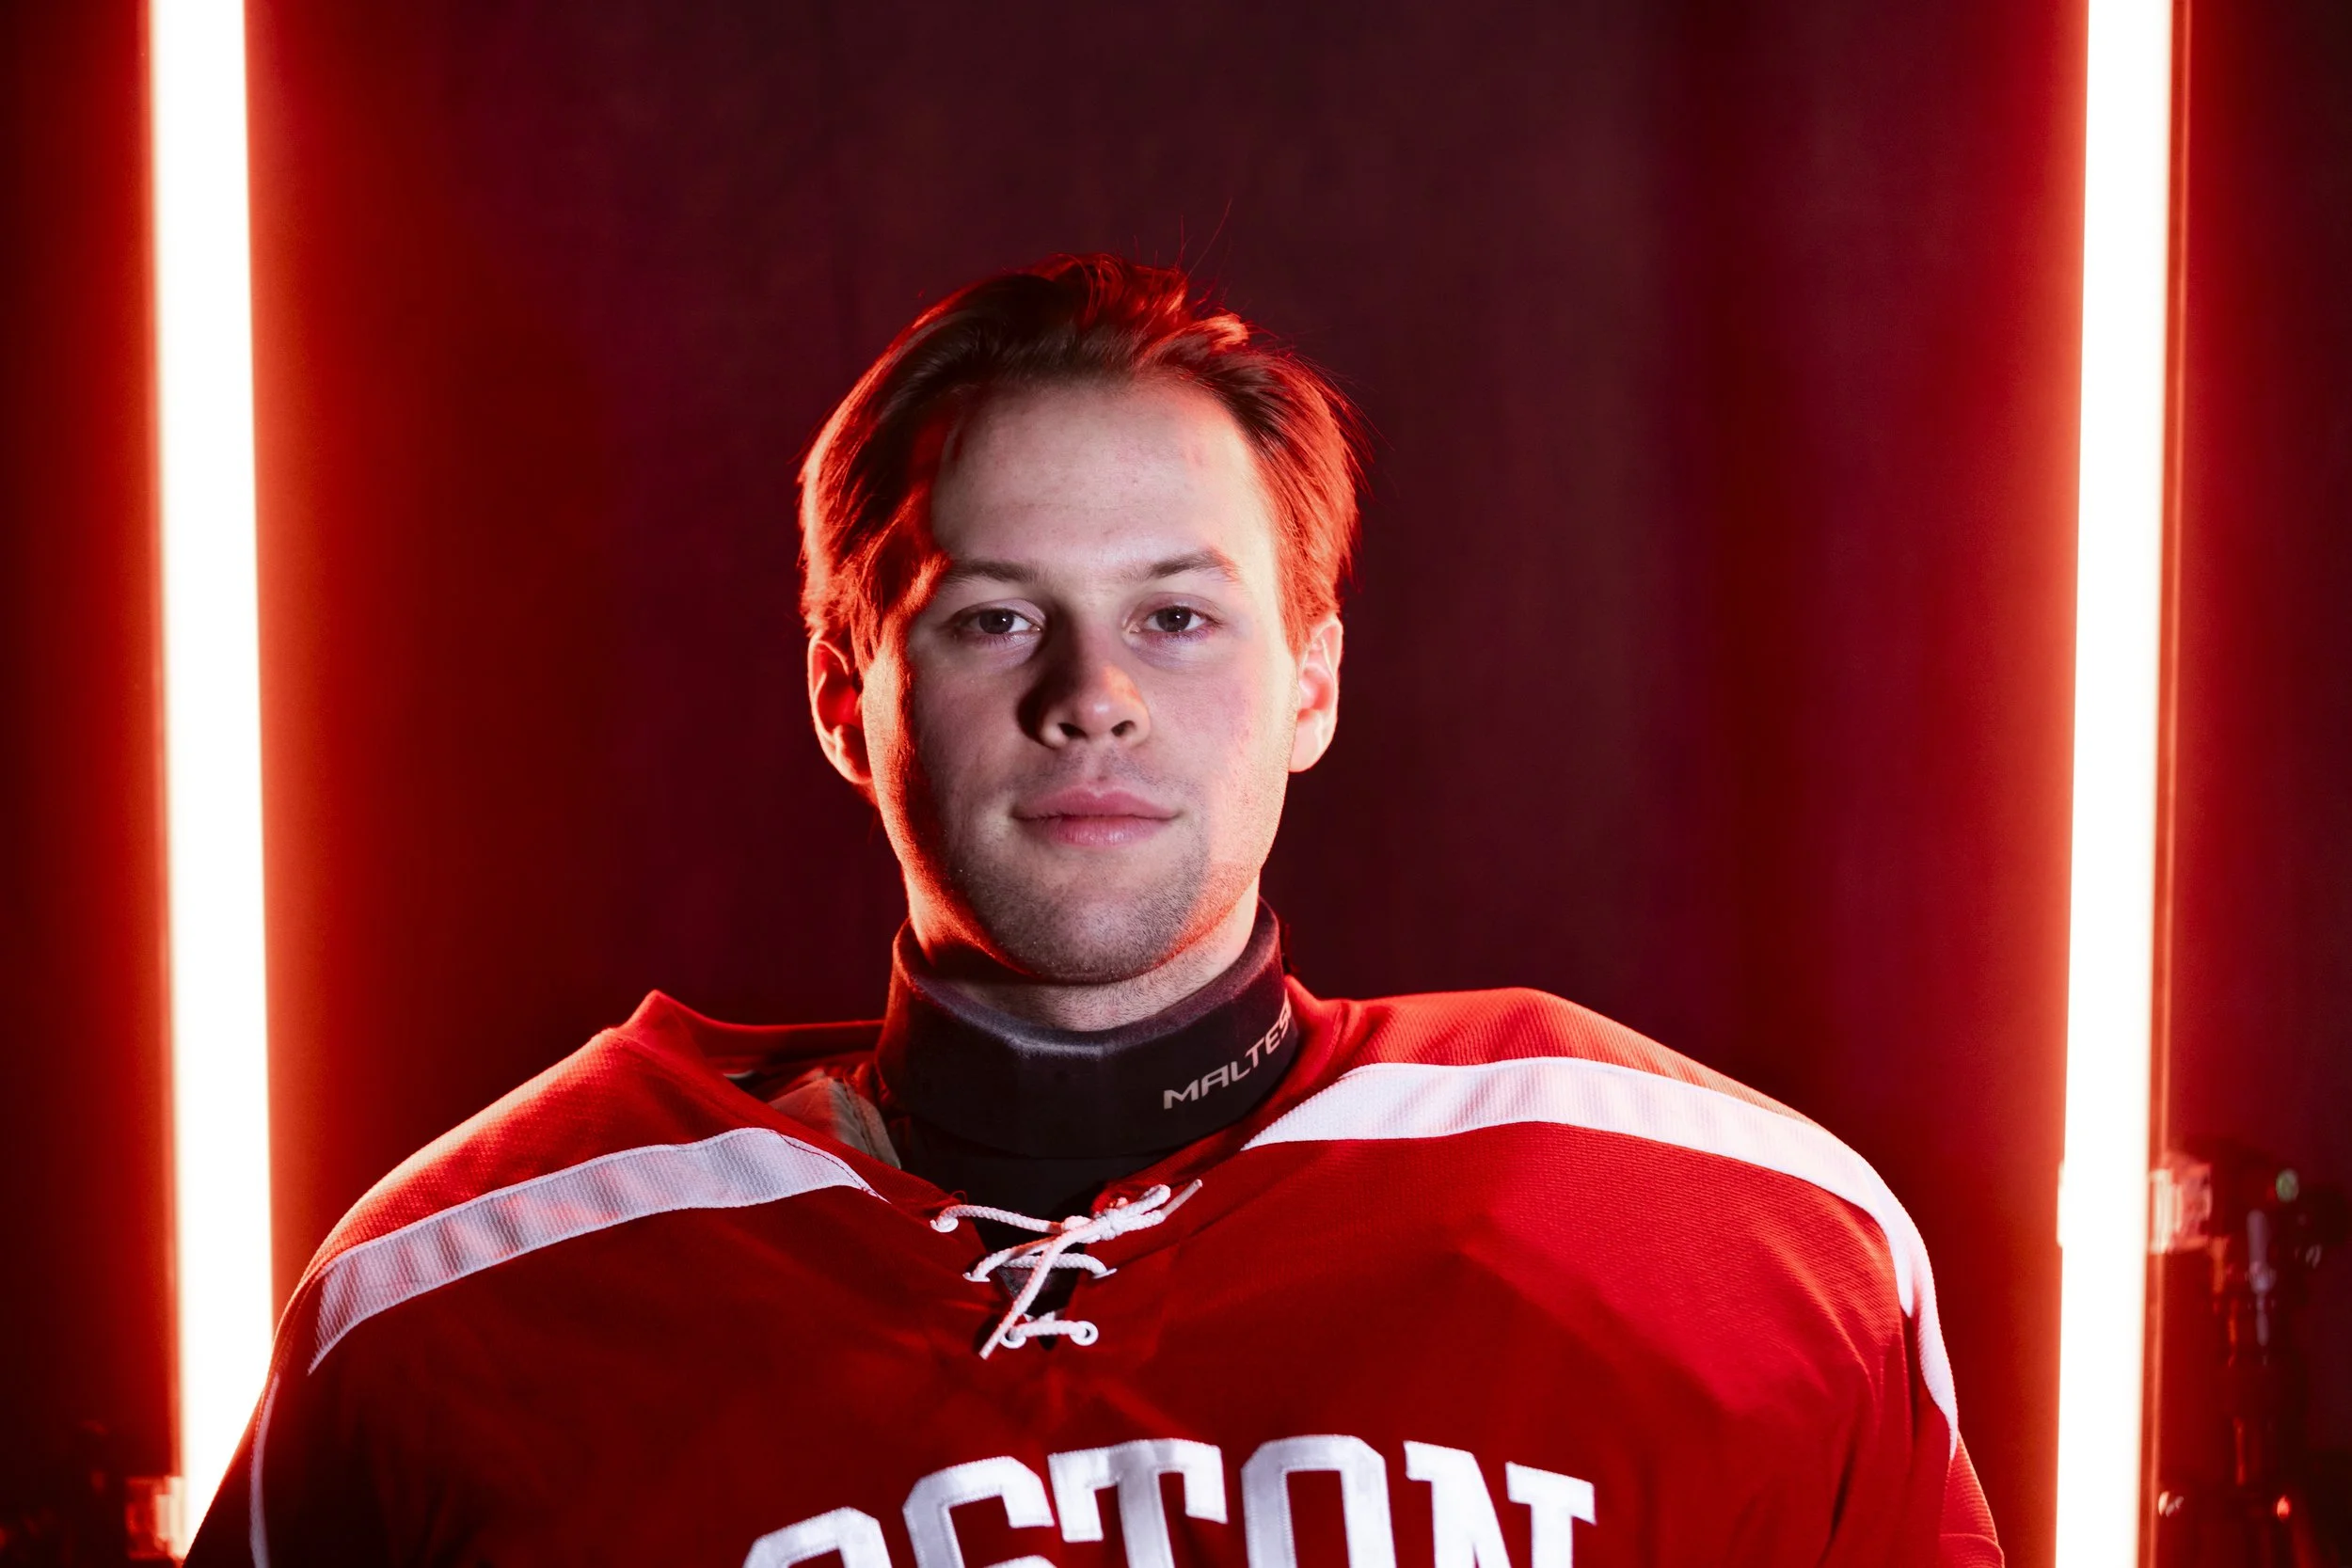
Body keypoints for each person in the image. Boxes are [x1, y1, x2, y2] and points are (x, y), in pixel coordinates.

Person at [188, 254, 2002, 1567]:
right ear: (845, 699)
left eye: (1179, 614)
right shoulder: (460, 1301)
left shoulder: (1734, 1231)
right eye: (993, 615)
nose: (1093, 694)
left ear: (1313, 682)